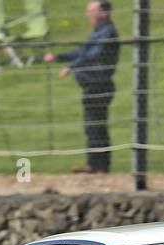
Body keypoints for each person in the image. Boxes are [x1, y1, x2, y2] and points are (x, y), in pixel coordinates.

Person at [44, 1, 119, 175]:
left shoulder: (108, 33)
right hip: (92, 85)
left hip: (99, 85)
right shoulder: (99, 32)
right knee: (92, 125)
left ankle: (100, 166)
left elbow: (94, 54)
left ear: (103, 13)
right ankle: (94, 164)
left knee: (96, 126)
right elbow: (83, 51)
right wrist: (59, 57)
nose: (88, 16)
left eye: (91, 12)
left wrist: (71, 66)